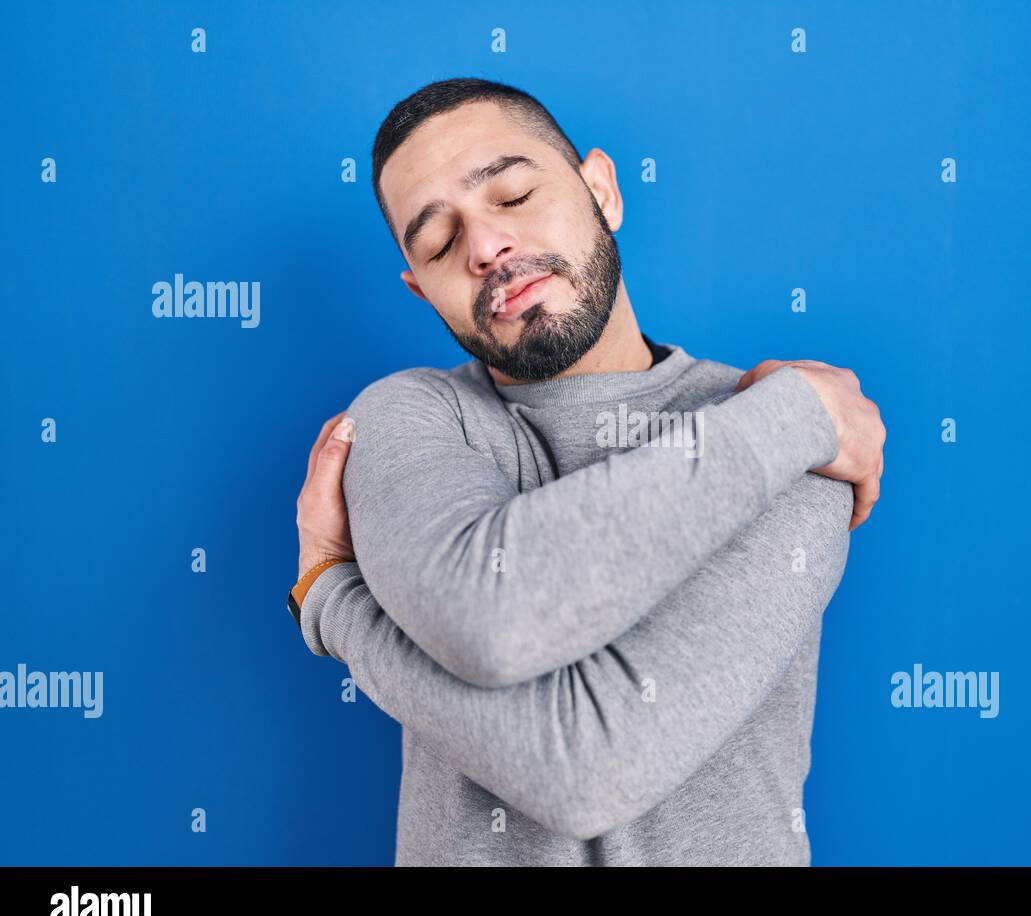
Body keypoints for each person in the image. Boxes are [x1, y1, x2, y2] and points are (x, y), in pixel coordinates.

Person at [289, 77, 886, 865]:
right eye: (437, 243)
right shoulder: (409, 416)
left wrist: (334, 600)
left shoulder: (798, 446)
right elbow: (487, 618)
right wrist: (797, 416)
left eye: (511, 194)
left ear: (600, 190)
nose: (485, 249)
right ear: (420, 289)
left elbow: (585, 767)